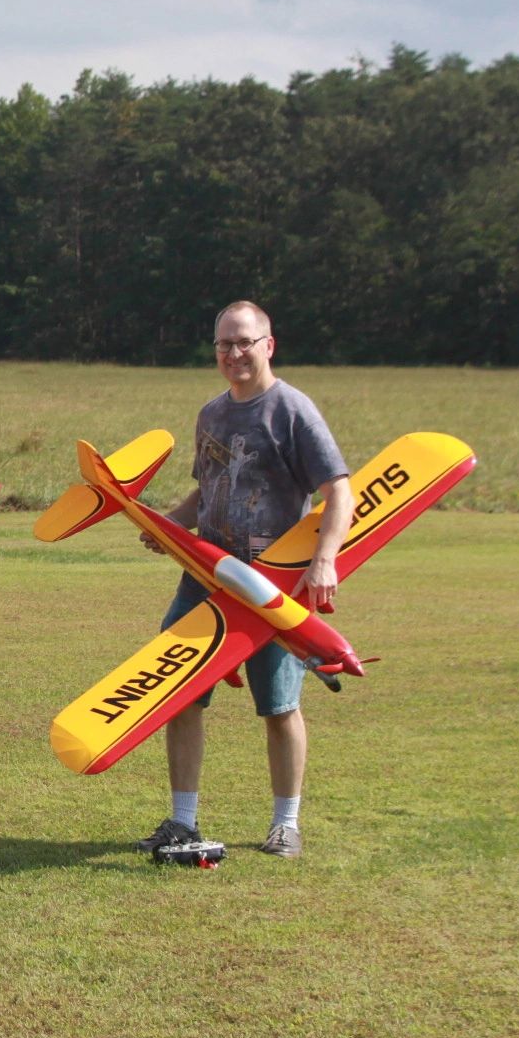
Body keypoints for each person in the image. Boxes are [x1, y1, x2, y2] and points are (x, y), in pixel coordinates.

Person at [136, 300, 349, 860]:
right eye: (224, 345)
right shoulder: (211, 414)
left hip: (270, 588)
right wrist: (170, 526)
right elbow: (208, 489)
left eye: (244, 343)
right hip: (204, 579)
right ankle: (183, 820)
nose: (234, 354)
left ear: (268, 345)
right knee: (178, 694)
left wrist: (324, 559)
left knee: (278, 706)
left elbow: (339, 492)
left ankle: (286, 824)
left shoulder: (293, 411)